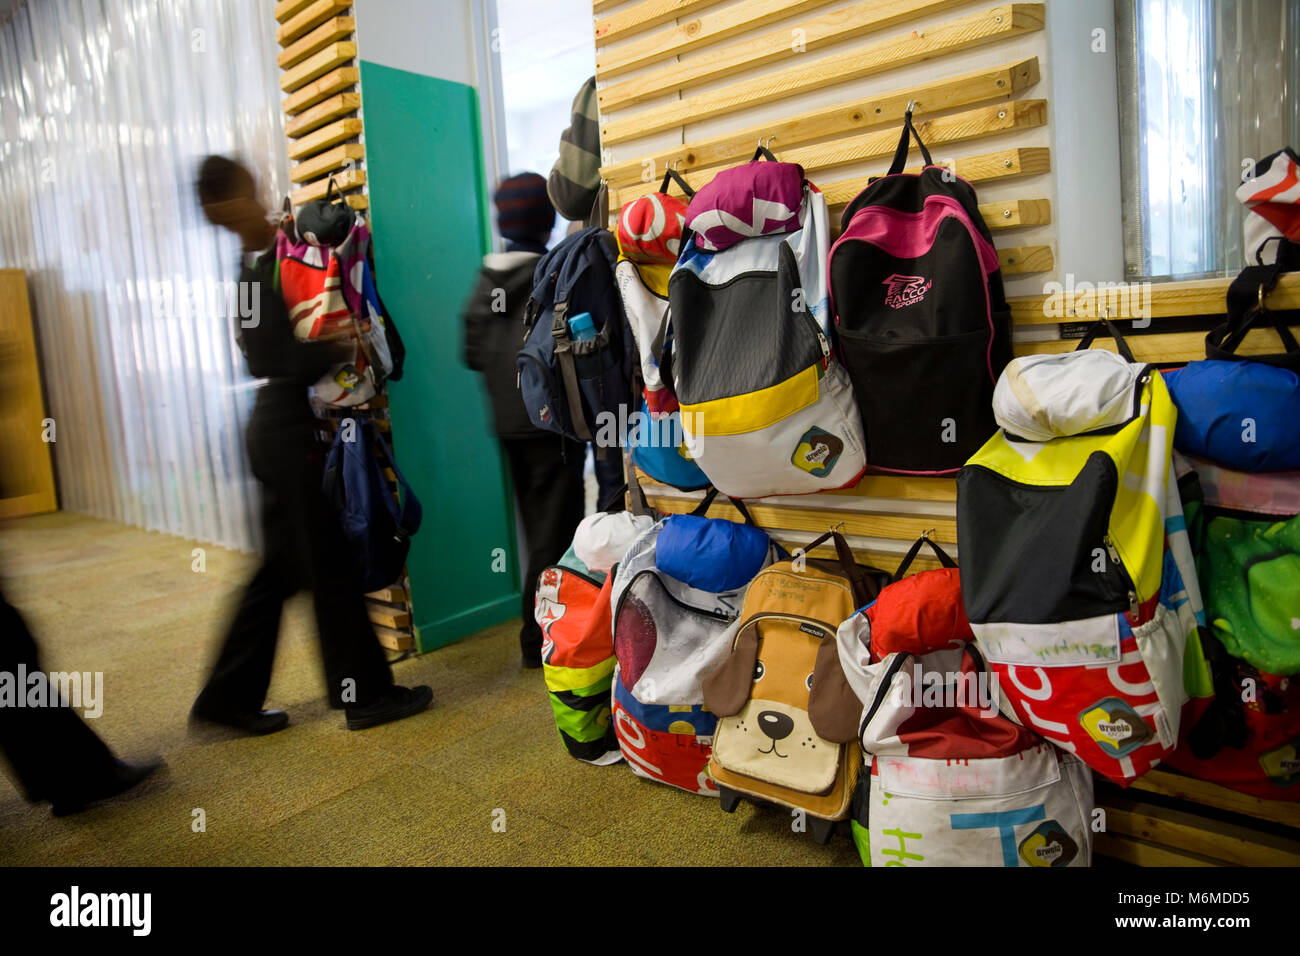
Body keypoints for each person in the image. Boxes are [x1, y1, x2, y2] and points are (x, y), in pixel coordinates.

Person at [191, 155, 431, 733]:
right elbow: (266, 357)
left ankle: (226, 701)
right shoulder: (254, 272)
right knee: (331, 572)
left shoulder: (264, 262)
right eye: (248, 193)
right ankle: (365, 695)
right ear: (223, 207)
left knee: (276, 574)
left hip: (276, 431)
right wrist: (330, 346)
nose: (261, 199)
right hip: (284, 433)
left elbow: (259, 352)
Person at [462, 173, 586, 668]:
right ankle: (542, 641)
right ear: (547, 219)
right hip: (551, 422)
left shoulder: (485, 280)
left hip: (507, 425)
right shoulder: (552, 274)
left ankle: (541, 636)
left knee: (536, 529)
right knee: (557, 531)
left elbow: (471, 352)